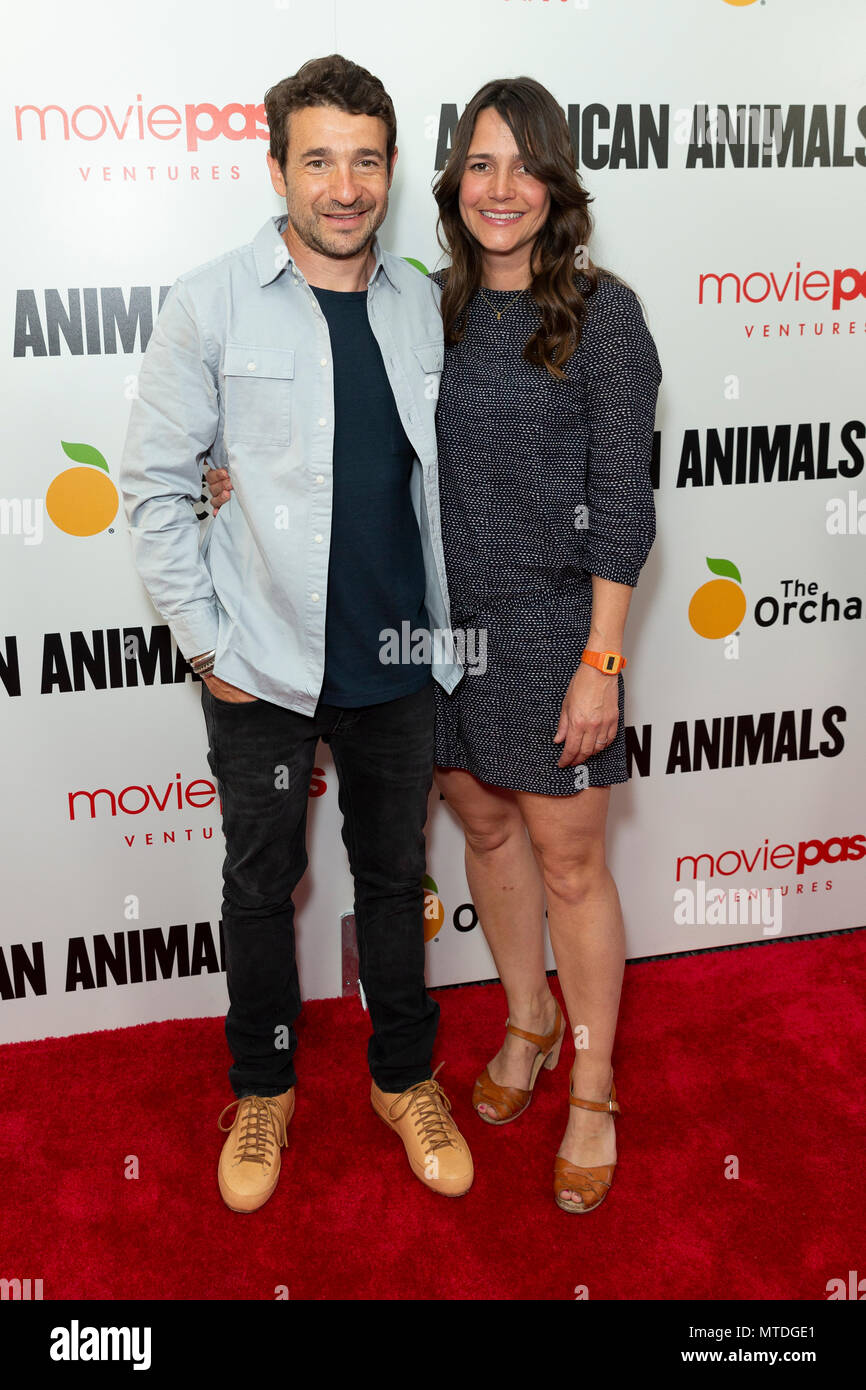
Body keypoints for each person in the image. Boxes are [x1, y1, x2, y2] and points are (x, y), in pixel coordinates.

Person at [120, 54, 474, 1213]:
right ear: (275, 167)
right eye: (316, 158)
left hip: (397, 661)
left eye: (364, 160)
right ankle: (263, 1086)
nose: (342, 185)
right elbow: (157, 484)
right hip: (262, 663)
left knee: (391, 879)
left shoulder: (424, 300)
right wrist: (207, 647)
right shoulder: (207, 301)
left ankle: (402, 1075)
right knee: (259, 886)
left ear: (387, 173)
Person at [429, 76, 662, 1213]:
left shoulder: (602, 313)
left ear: (555, 183)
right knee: (481, 821)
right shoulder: (427, 308)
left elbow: (623, 501)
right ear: (454, 183)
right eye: (479, 164)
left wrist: (600, 657)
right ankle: (525, 1019)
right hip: (438, 627)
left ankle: (593, 1080)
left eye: (523, 164)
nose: (501, 187)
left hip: (554, 624)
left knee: (569, 861)